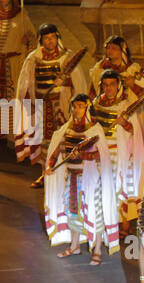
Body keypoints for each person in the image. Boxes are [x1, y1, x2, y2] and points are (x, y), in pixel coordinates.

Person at [43, 94, 119, 264]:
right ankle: (75, 245)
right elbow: (56, 151)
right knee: (73, 214)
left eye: (80, 106)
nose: (77, 110)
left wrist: (83, 154)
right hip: (71, 178)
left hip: (90, 180)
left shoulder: (94, 129)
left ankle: (97, 250)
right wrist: (49, 166)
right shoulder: (67, 129)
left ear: (87, 108)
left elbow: (101, 155)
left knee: (94, 212)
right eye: (75, 106)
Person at [14, 23, 88, 182]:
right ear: (41, 40)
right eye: (46, 38)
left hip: (62, 105)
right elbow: (25, 83)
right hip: (41, 105)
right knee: (42, 140)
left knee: (63, 138)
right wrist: (28, 103)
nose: (50, 41)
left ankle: (63, 173)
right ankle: (44, 173)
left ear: (58, 38)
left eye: (53, 37)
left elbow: (79, 84)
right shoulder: (33, 57)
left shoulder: (67, 57)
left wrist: (65, 81)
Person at [88, 69, 144, 224]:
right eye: (105, 85)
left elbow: (135, 131)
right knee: (98, 186)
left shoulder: (125, 105)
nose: (108, 88)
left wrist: (125, 123)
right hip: (97, 151)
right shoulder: (95, 104)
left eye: (112, 84)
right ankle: (101, 222)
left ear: (118, 85)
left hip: (115, 151)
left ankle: (121, 222)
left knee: (115, 187)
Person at [90, 36, 144, 152]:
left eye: (114, 48)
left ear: (122, 50)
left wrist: (132, 84)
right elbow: (92, 93)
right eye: (108, 48)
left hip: (126, 113)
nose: (110, 51)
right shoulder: (99, 69)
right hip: (103, 112)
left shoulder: (133, 70)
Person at [0, 0, 34, 102]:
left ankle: (10, 121)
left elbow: (33, 37)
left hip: (14, 64)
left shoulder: (21, 15)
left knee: (13, 98)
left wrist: (28, 39)